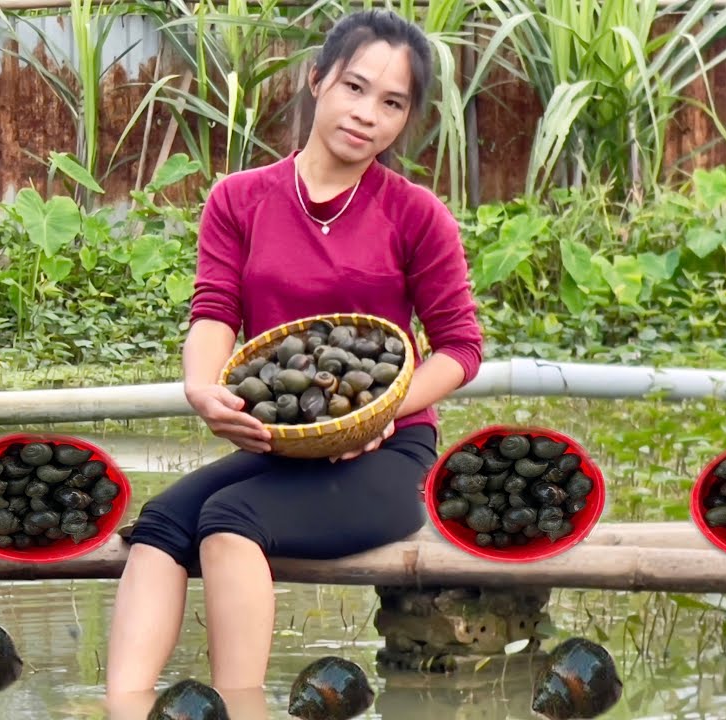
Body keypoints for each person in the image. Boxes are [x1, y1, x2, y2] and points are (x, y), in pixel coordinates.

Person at [103, 8, 483, 702]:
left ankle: (240, 709)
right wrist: (201, 387)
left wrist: (380, 413)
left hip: (388, 456)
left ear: (406, 118)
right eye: (355, 87)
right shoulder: (240, 199)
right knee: (158, 527)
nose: (368, 114)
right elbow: (215, 312)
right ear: (318, 81)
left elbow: (461, 347)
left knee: (228, 523)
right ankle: (122, 709)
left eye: (392, 102)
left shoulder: (415, 213)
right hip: (278, 444)